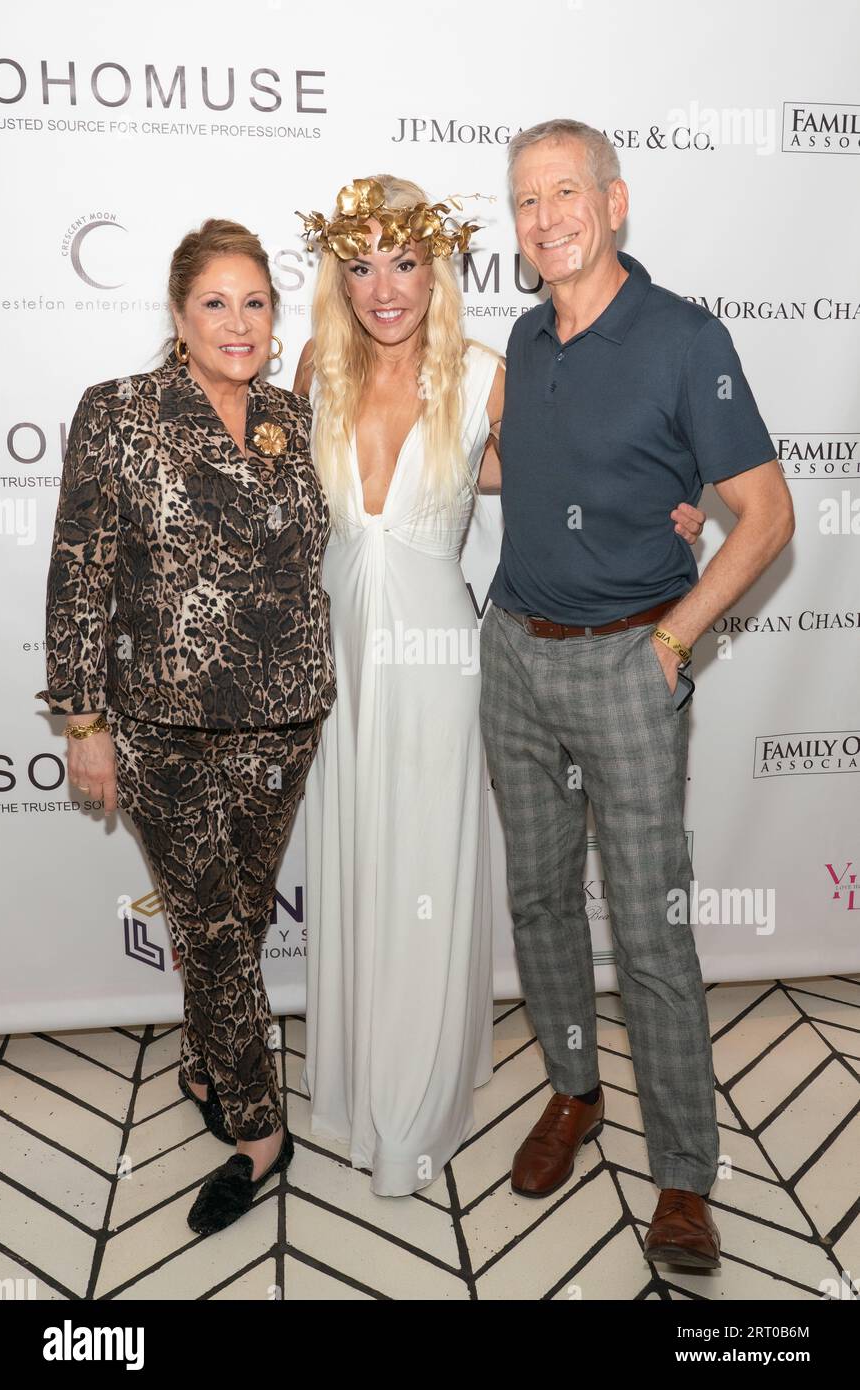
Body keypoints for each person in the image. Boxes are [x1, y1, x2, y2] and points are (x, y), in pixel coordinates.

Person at [292, 175, 706, 1197]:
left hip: (436, 655)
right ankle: (355, 1082)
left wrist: (676, 500)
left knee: (424, 866)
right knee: (359, 858)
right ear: (338, 276)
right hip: (340, 646)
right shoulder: (314, 370)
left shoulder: (486, 374)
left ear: (437, 268)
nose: (383, 286)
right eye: (361, 264)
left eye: (404, 261)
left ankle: (417, 1102)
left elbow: (571, 468)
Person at [478, 119, 794, 1268]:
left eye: (565, 192)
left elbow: (766, 513)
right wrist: (400, 432)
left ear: (616, 202)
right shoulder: (524, 333)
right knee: (542, 904)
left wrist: (672, 639)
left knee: (653, 929)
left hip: (627, 661)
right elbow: (519, 460)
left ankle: (683, 1175)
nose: (545, 216)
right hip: (514, 649)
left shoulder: (682, 338)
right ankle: (573, 1086)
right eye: (524, 200)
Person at [36, 218, 336, 1236]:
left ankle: (206, 1063)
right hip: (163, 724)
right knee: (211, 931)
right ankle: (260, 1133)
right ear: (177, 314)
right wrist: (84, 720)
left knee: (239, 923)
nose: (238, 322)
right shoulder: (119, 412)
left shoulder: (294, 418)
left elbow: (394, 496)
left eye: (256, 302)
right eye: (216, 302)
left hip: (284, 718)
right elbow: (78, 572)